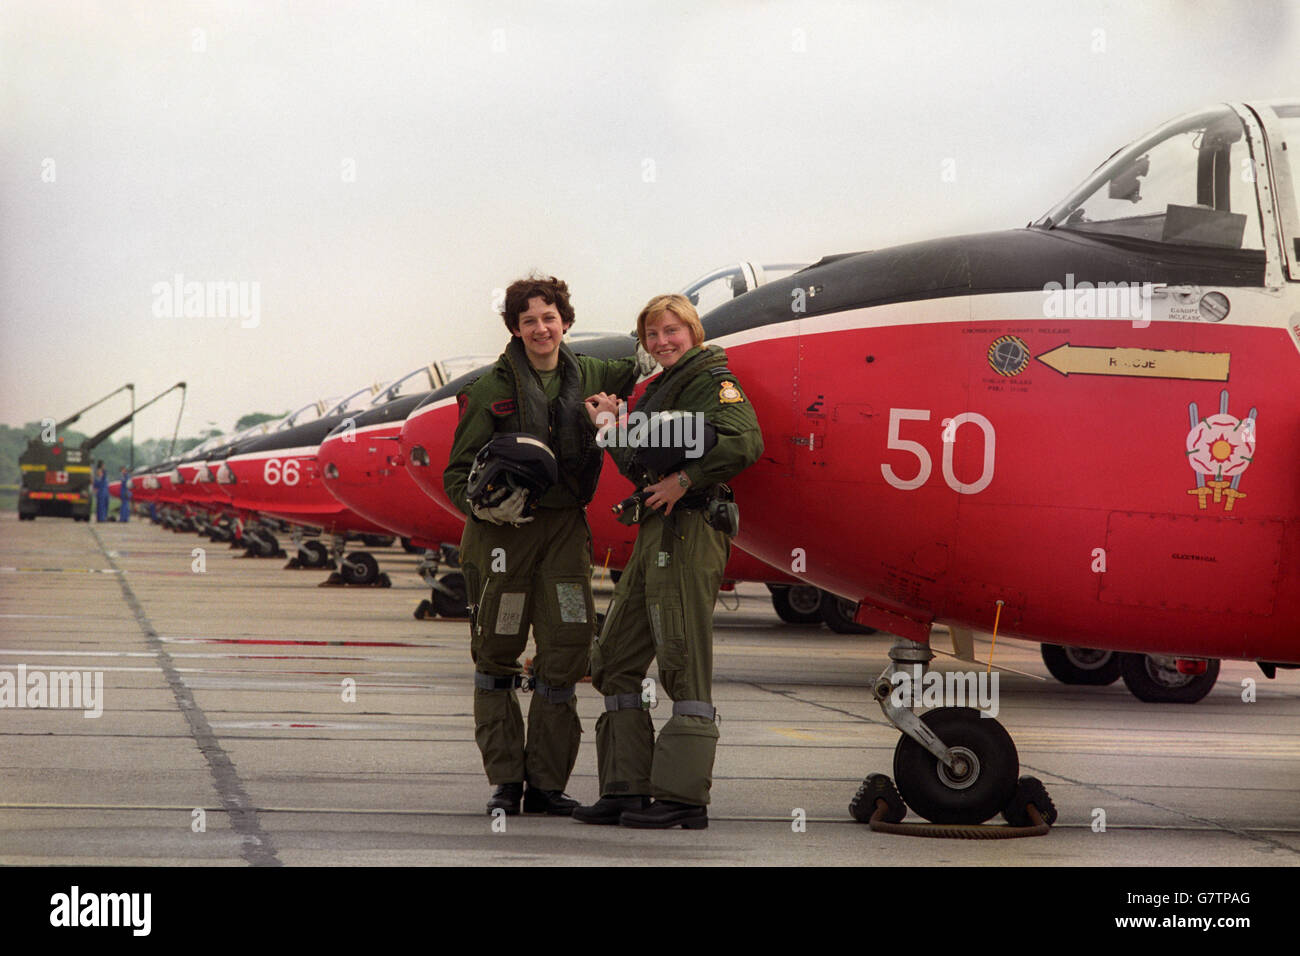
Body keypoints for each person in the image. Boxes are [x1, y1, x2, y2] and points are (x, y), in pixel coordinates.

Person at [443, 274, 638, 816]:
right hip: (502, 537)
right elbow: (457, 473)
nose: (540, 328)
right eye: (528, 320)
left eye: (549, 318)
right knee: (497, 653)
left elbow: (651, 358)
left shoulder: (596, 373)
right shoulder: (488, 390)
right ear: (515, 328)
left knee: (568, 646)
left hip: (563, 534)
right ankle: (506, 782)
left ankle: (547, 785)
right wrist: (479, 505)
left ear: (565, 323)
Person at [574, 294, 762, 829]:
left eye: (672, 330)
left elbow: (744, 441)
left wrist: (685, 480)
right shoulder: (657, 390)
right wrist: (611, 428)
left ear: (693, 331)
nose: (662, 342)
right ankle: (626, 788)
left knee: (682, 657)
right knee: (614, 660)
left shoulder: (712, 379)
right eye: (652, 334)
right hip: (657, 528)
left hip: (692, 527)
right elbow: (639, 464)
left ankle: (684, 798)